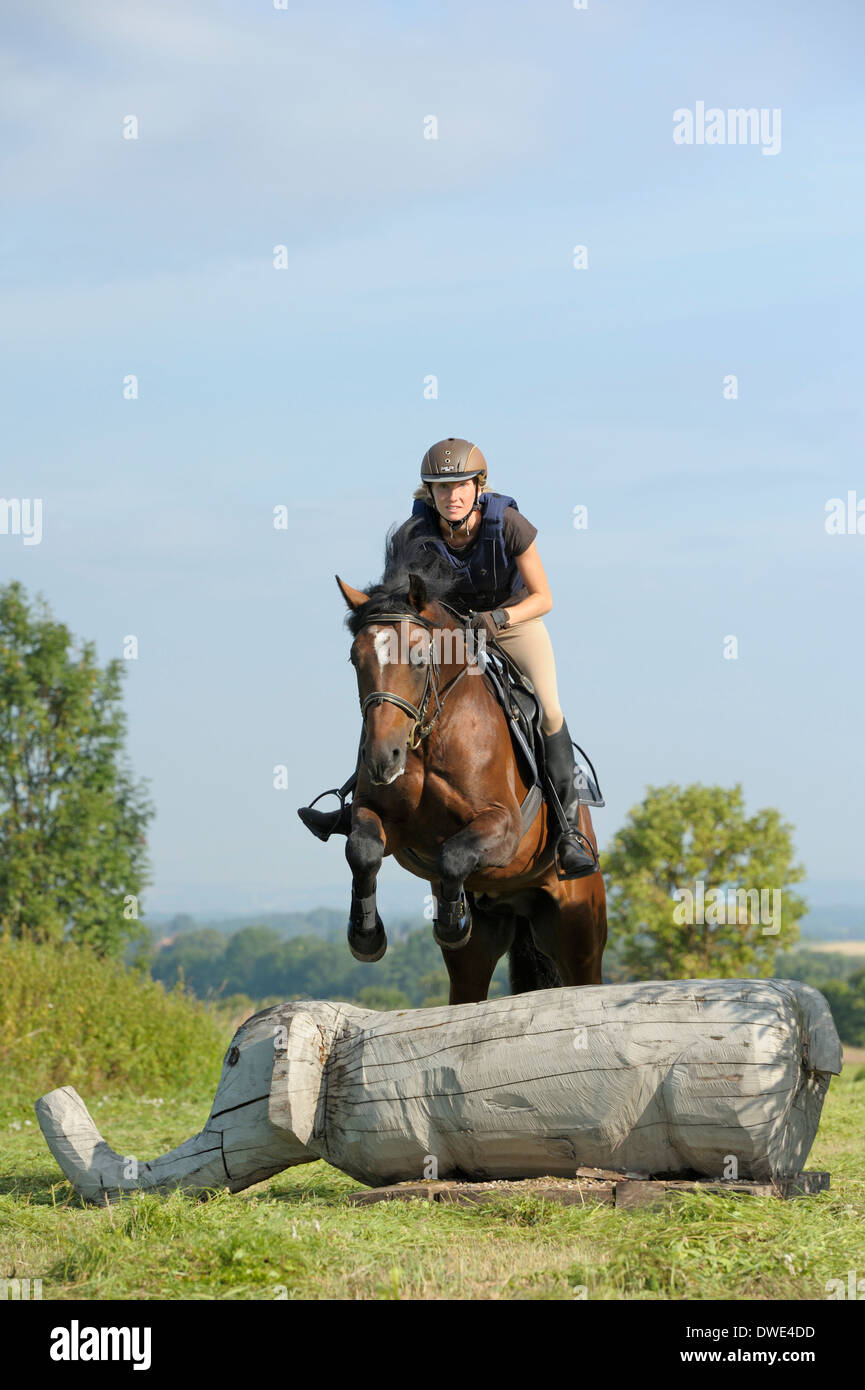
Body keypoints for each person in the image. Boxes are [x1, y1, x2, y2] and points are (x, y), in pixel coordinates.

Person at [298, 437, 597, 877]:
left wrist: (498, 618)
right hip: (445, 632)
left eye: (460, 486)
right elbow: (399, 604)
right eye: (441, 488)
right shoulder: (412, 535)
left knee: (549, 710)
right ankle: (359, 799)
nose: (451, 496)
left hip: (511, 623)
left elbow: (543, 597)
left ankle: (569, 832)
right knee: (392, 687)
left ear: (479, 486)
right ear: (429, 493)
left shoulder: (510, 525)